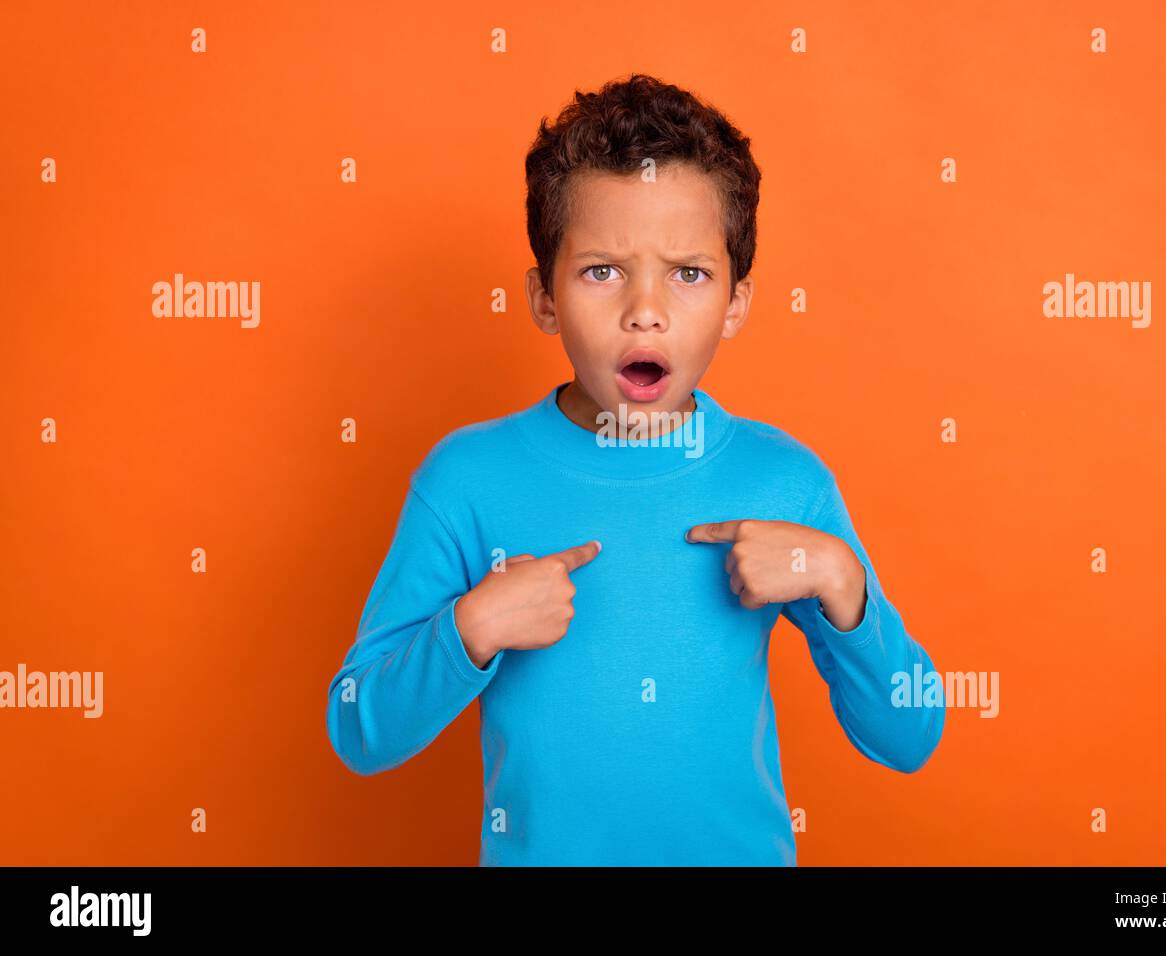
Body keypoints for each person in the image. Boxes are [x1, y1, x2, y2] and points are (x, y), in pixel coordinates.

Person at [325, 73, 944, 865]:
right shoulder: (465, 481)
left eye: (688, 274)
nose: (644, 309)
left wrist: (843, 586)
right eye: (601, 271)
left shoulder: (785, 480)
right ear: (544, 300)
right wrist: (470, 630)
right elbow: (358, 730)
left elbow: (910, 735)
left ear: (736, 303)